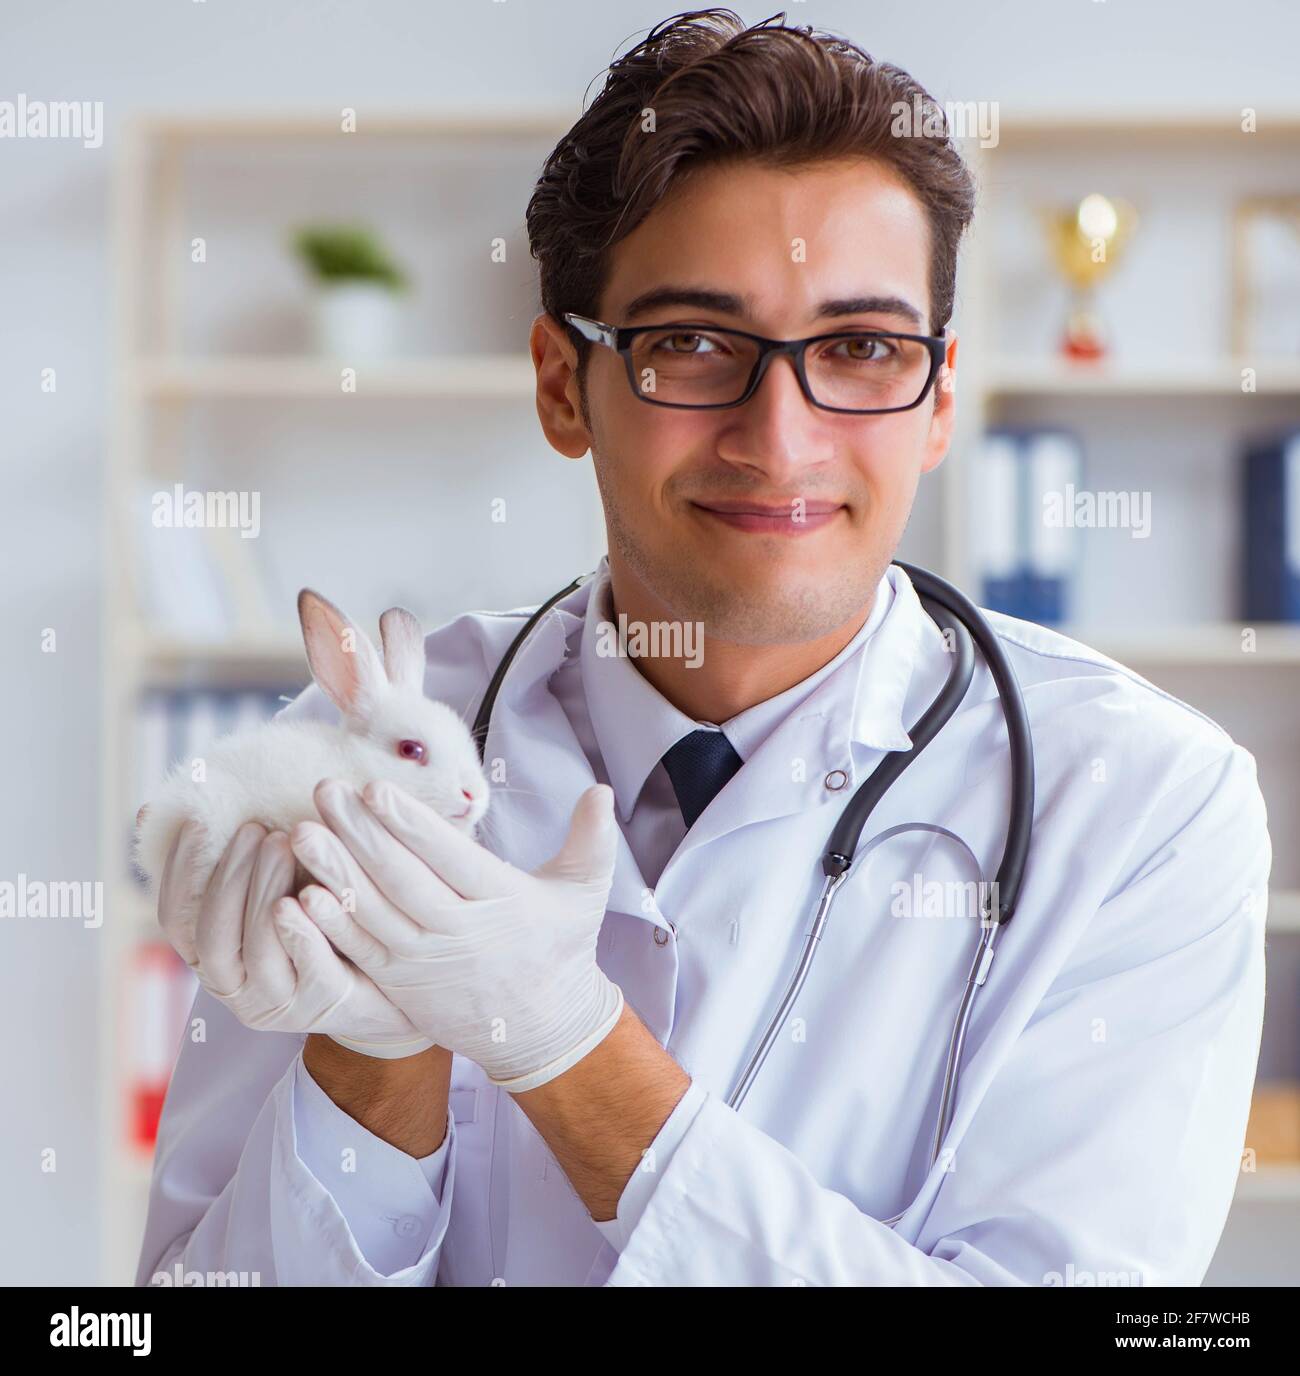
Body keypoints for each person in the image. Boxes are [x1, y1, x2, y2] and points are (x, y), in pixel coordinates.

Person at [136, 9, 1270, 1287]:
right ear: (563, 384)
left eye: (859, 348)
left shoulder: (1148, 801)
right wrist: (370, 1057)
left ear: (939, 400)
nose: (778, 439)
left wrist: (566, 1045)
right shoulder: (363, 751)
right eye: (690, 344)